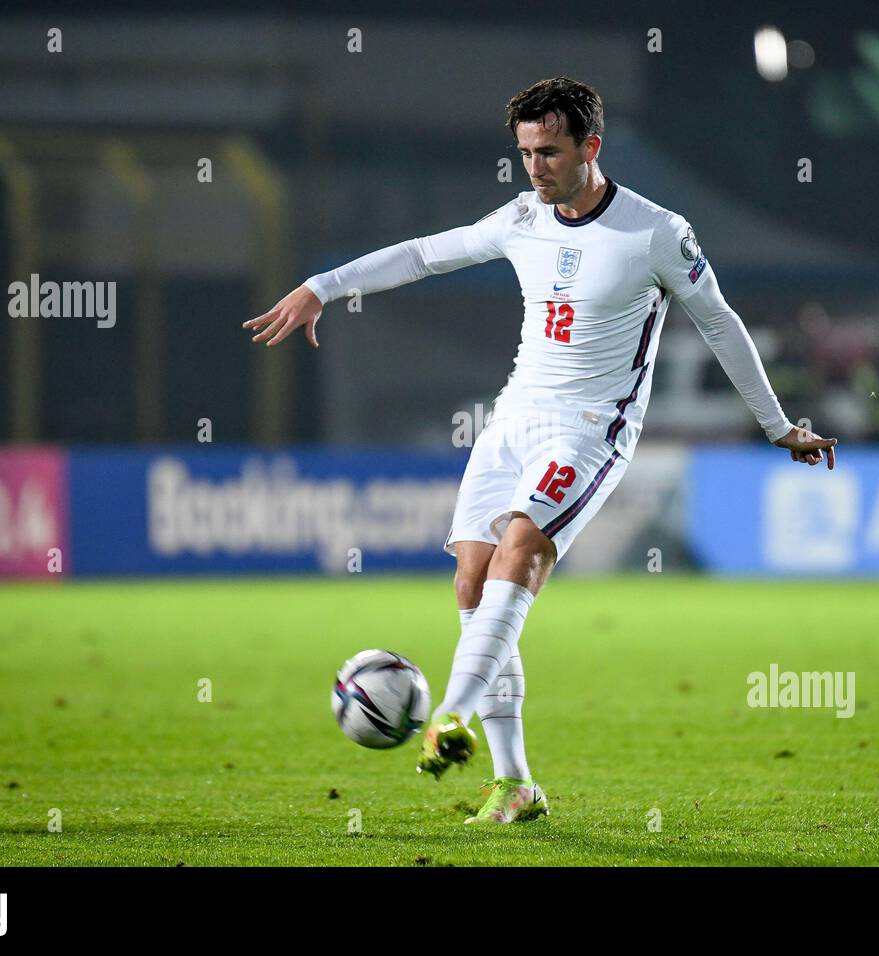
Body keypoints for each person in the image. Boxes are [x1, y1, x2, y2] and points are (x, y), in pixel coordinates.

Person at [244, 76, 837, 825]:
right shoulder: (522, 218)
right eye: (525, 152)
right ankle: (515, 784)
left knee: (520, 549)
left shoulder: (656, 231)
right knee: (470, 581)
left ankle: (449, 715)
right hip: (512, 421)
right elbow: (427, 254)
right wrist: (322, 287)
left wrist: (780, 426)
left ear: (592, 146)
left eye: (550, 151)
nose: (536, 167)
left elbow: (720, 324)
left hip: (591, 430)